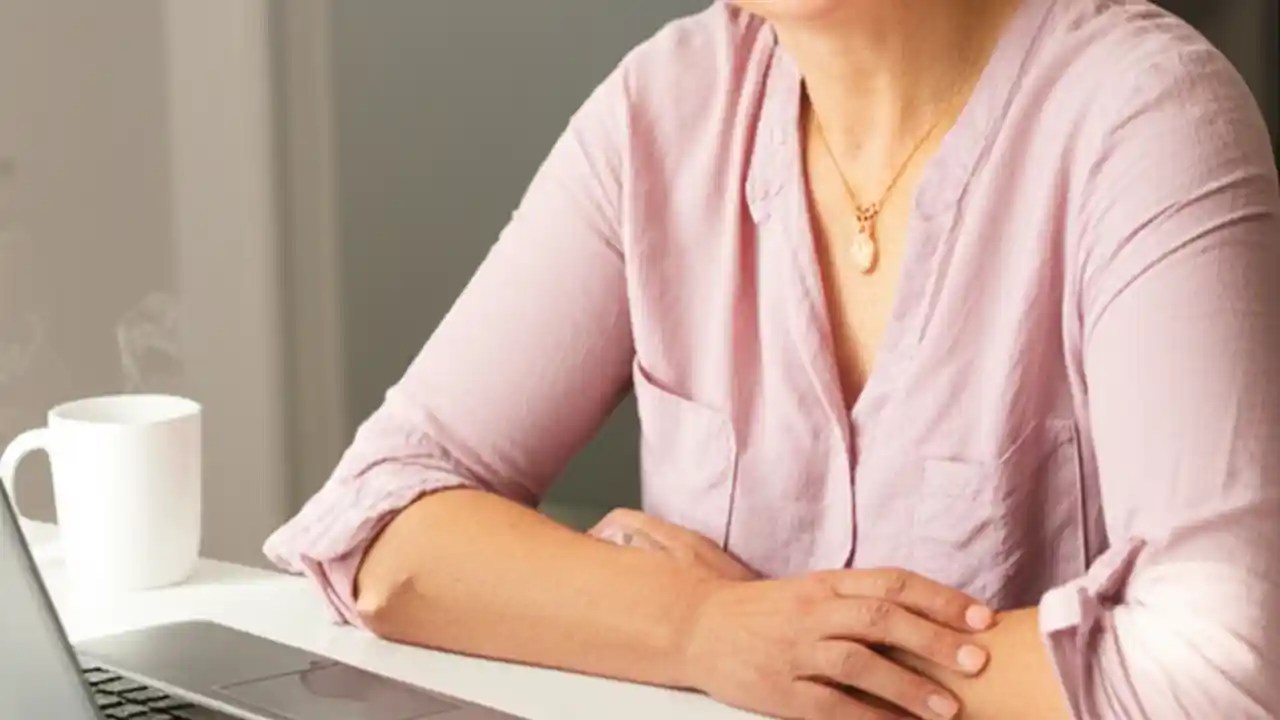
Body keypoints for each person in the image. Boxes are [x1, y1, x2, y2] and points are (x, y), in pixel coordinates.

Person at [266, 0, 1280, 717]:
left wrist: (790, 651)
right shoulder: (663, 108)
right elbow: (380, 524)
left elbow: (1221, 671)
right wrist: (704, 627)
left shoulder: (1145, 117)